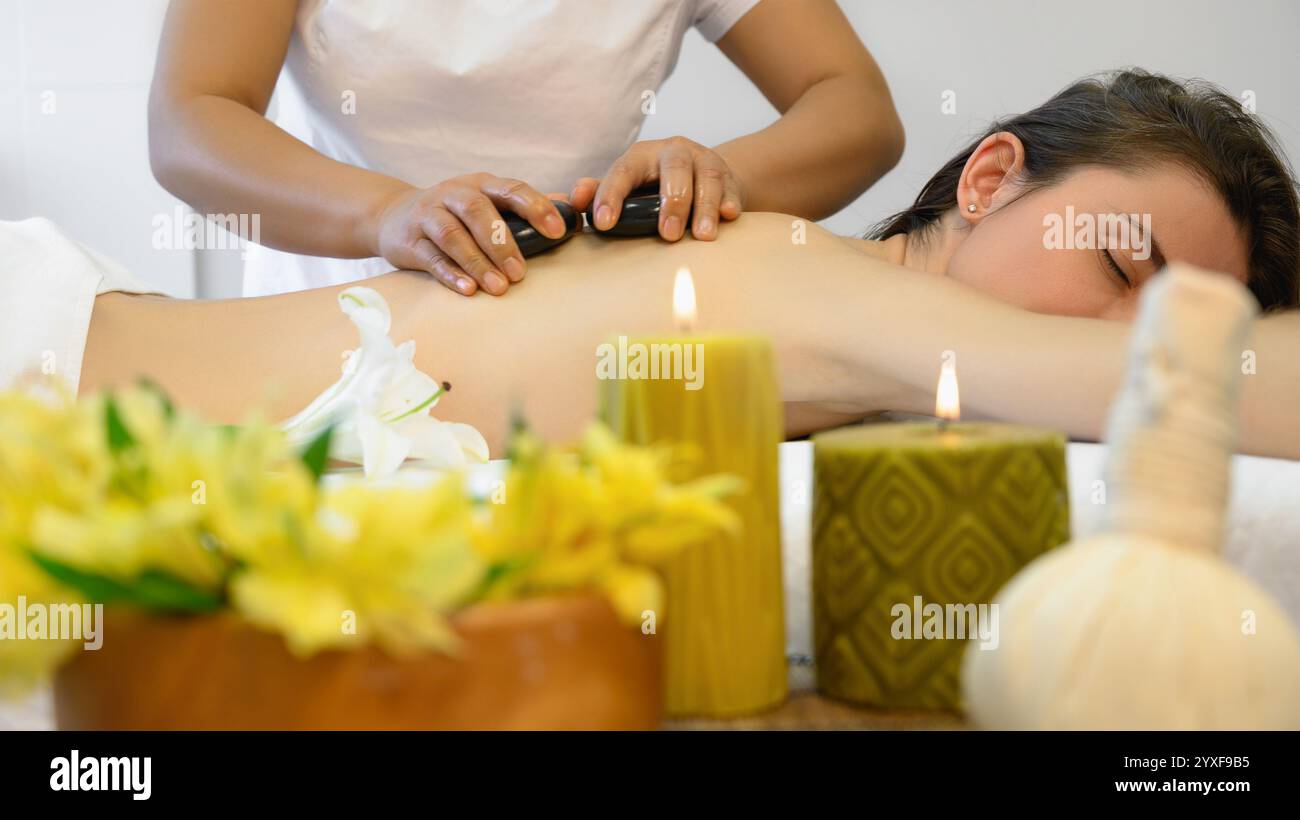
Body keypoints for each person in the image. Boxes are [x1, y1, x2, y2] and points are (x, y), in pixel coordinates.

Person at [8, 71, 1296, 459]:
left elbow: (848, 101)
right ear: (990, 179)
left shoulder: (825, 354)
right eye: (1126, 270)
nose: (1132, 328)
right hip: (41, 379)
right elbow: (1190, 387)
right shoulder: (822, 291)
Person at [147, 0, 904, 297]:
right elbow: (192, 117)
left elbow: (855, 106)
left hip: (567, 329)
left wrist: (723, 174)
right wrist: (386, 216)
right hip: (326, 321)